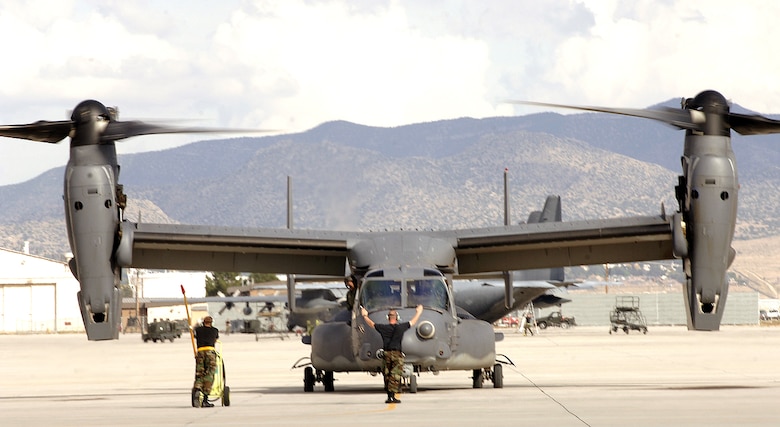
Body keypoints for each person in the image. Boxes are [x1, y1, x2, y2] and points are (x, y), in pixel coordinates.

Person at [360, 304, 423, 404]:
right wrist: (419, 312)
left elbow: (371, 324)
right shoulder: (401, 327)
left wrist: (365, 316)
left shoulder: (383, 328)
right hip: (397, 354)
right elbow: (413, 322)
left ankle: (390, 396)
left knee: (387, 375)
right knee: (395, 375)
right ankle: (392, 397)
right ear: (397, 318)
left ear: (388, 318)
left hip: (386, 354)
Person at [192, 315, 219, 408]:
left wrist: (192, 329)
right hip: (210, 352)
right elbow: (215, 340)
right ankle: (205, 399)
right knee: (209, 374)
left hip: (200, 352)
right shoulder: (215, 330)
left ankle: (198, 389)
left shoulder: (198, 330)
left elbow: (195, 335)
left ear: (203, 322)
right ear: (211, 323)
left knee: (199, 373)